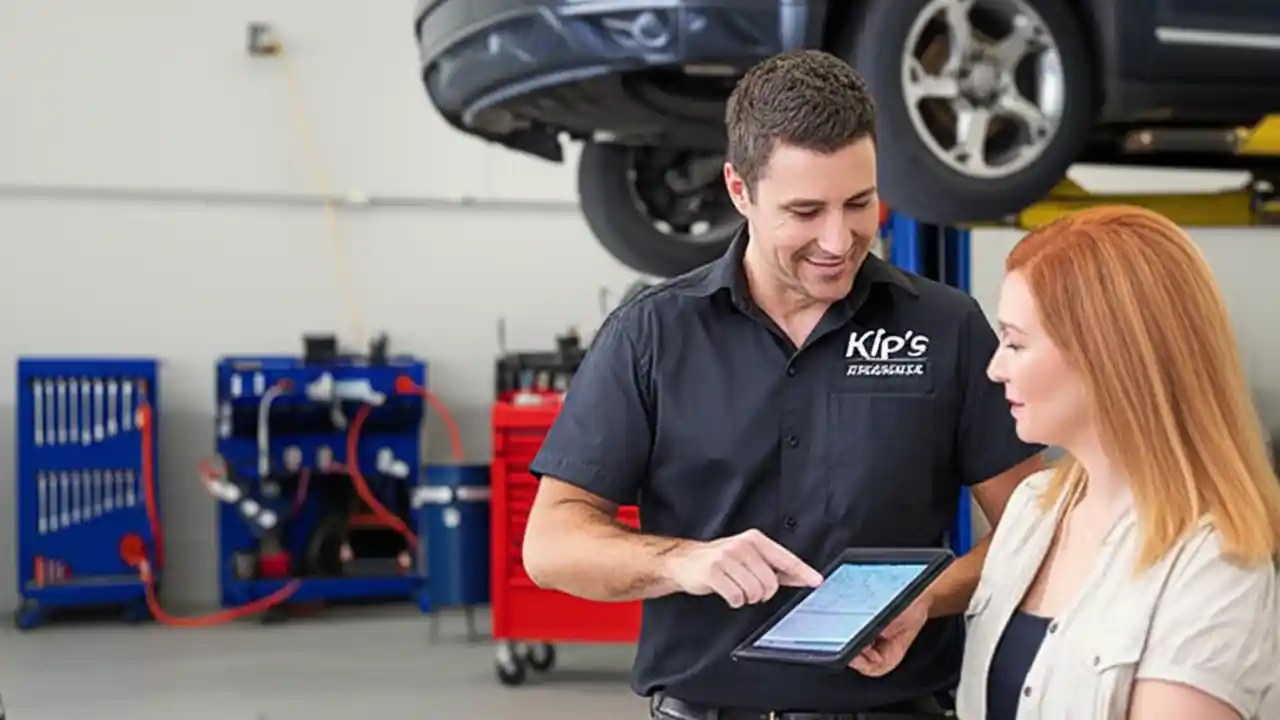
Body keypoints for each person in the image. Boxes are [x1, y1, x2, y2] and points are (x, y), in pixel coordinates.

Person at [521, 49, 1044, 718]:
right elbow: (552, 544)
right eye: (804, 211)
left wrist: (926, 598)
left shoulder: (945, 328)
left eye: (859, 202)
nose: (838, 239)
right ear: (739, 190)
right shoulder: (652, 335)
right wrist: (684, 562)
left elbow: (1034, 532)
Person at [957, 205, 1280, 720]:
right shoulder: (1033, 509)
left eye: (1015, 343)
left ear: (1105, 356)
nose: (995, 369)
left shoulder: (1216, 562)